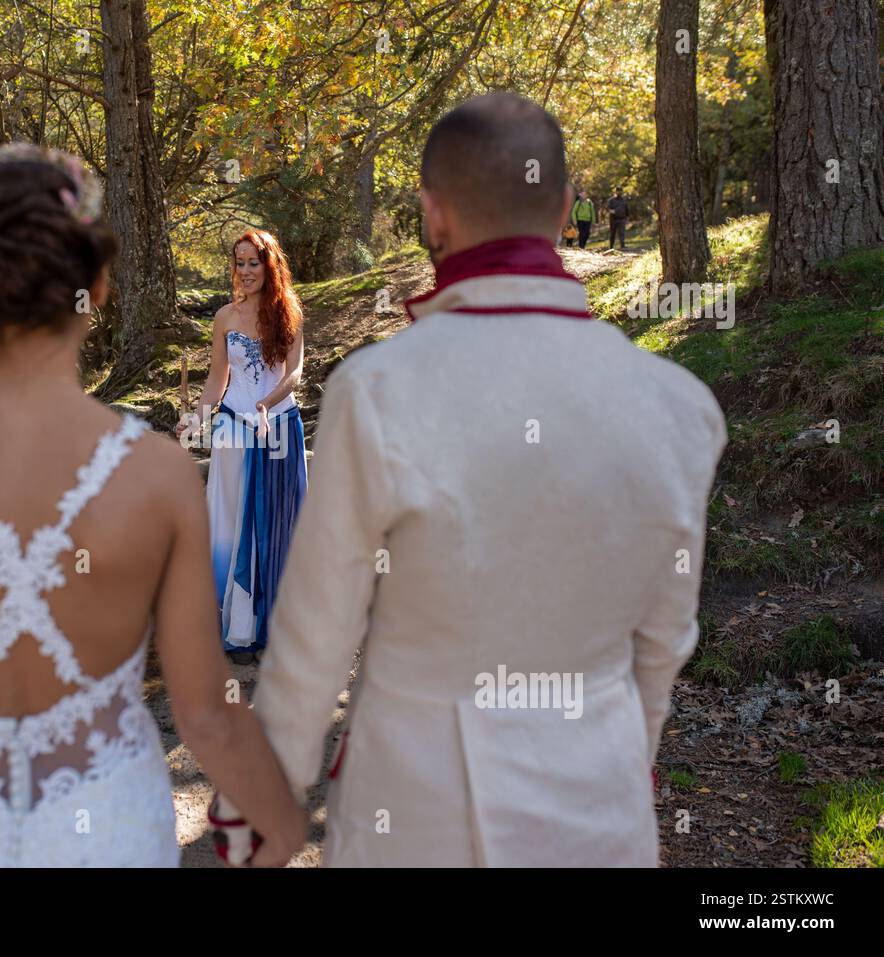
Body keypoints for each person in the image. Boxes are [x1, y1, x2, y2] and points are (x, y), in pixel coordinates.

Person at [244, 92, 727, 866]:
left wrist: (262, 798)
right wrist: (620, 755)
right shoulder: (682, 408)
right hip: (598, 810)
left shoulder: (377, 390)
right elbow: (664, 641)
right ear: (567, 208)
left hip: (414, 810)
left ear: (433, 216)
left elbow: (317, 630)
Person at [0, 143, 305, 867]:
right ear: (101, 286)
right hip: (112, 832)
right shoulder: (157, 474)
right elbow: (208, 716)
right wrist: (286, 829)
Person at [176, 229, 307, 667]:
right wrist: (198, 416)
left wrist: (268, 404)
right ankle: (239, 629)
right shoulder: (225, 317)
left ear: (270, 265)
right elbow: (217, 379)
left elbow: (294, 374)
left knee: (277, 523)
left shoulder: (288, 312)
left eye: (253, 262)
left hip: (279, 428)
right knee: (231, 524)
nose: (245, 270)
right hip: (233, 429)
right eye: (239, 262)